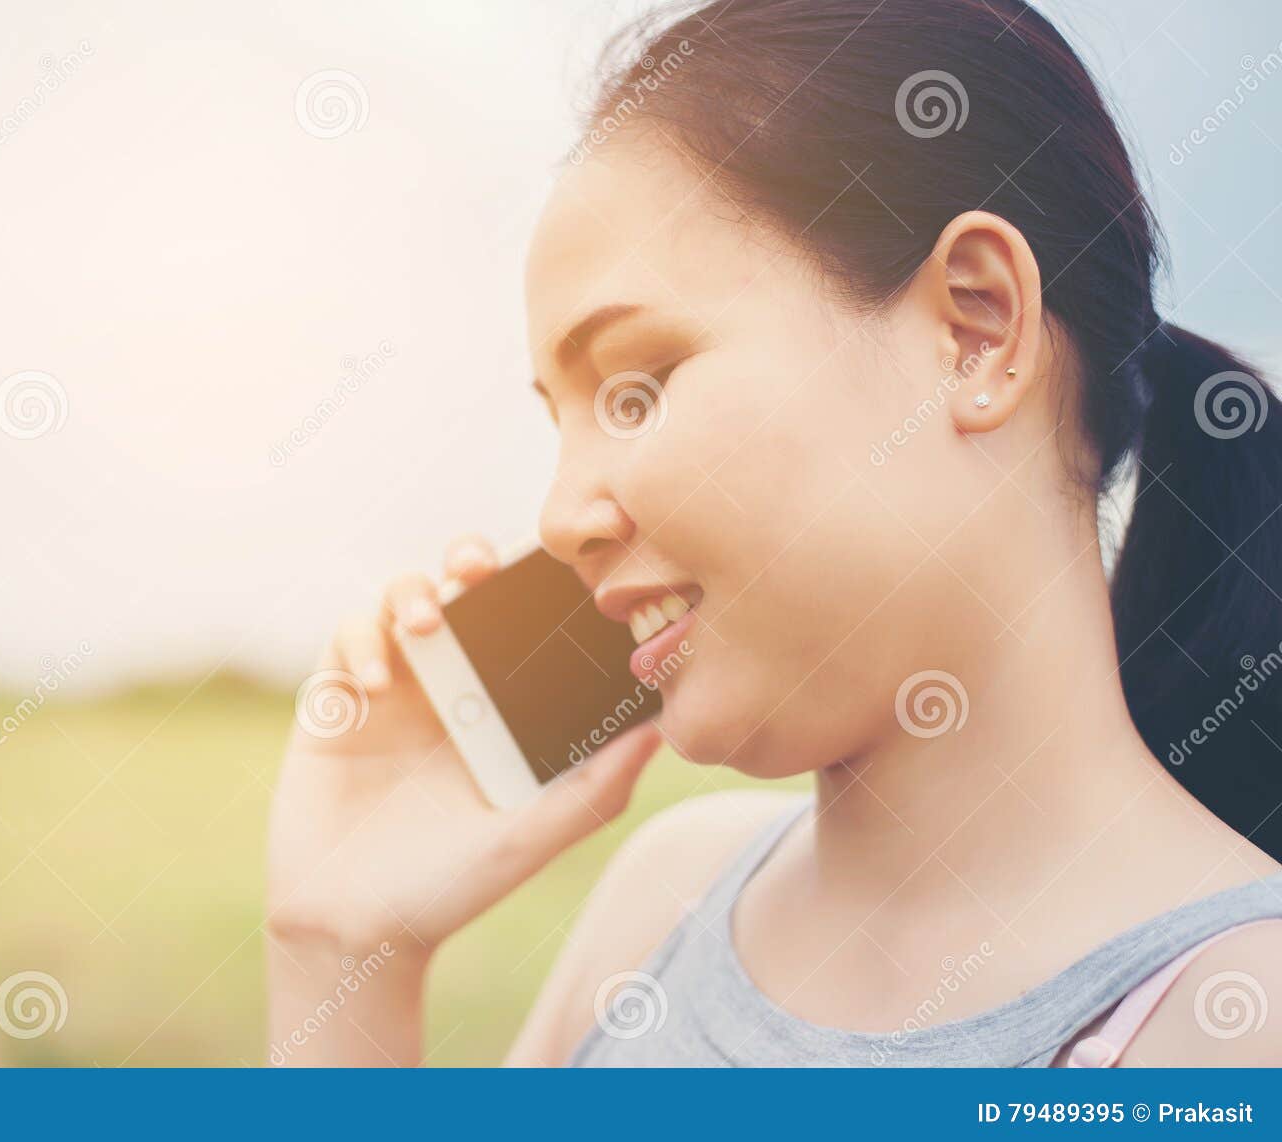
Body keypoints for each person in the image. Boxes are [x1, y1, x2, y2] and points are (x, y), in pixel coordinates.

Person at [266, 0, 1282, 1066]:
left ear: (976, 329)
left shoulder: (1236, 1028)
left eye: (633, 390)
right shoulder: (662, 910)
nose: (561, 519)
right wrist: (336, 952)